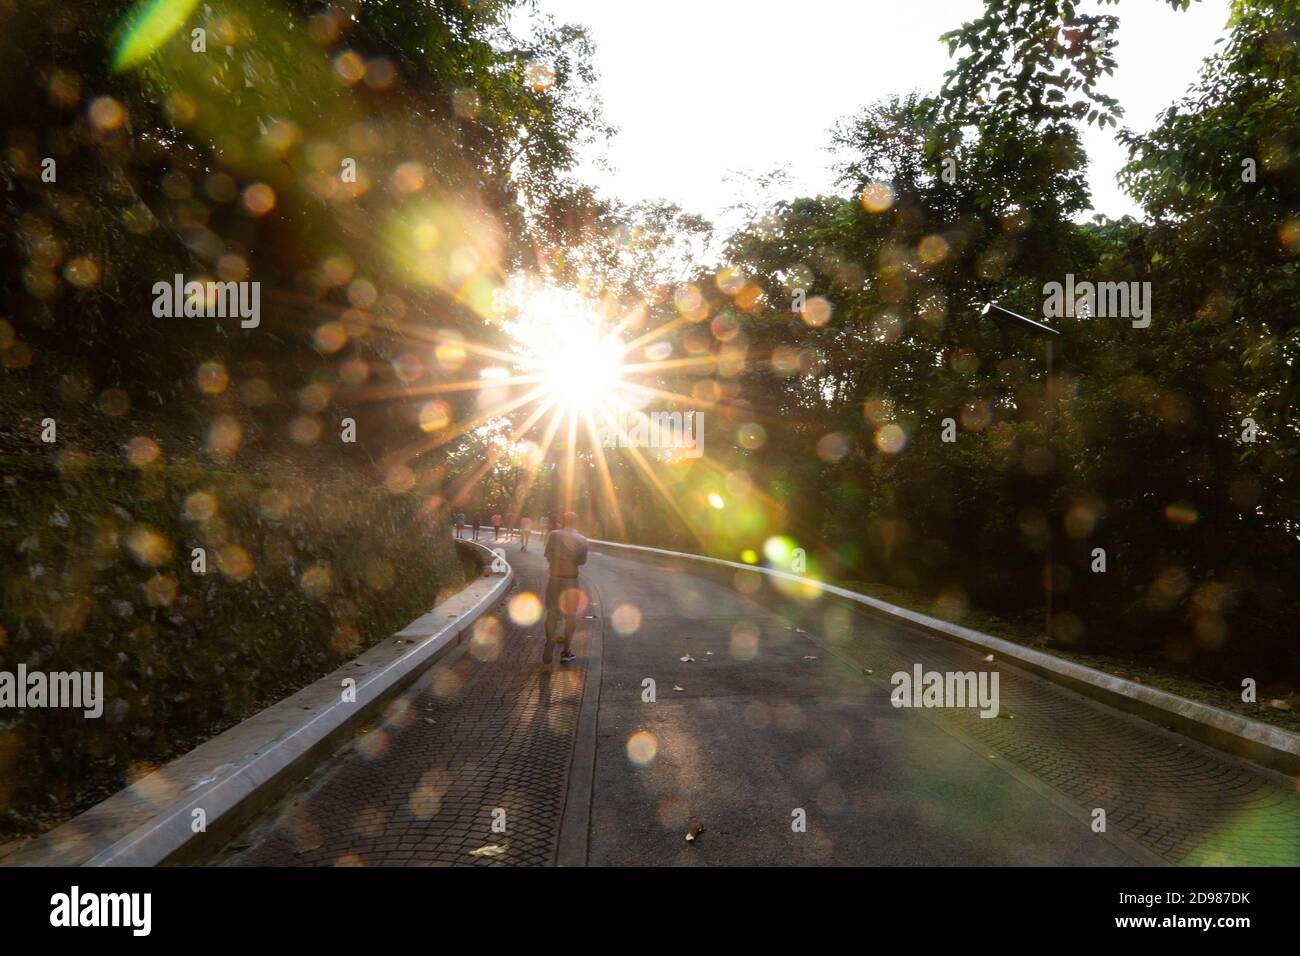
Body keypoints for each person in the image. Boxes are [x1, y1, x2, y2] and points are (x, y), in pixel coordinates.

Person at [543, 512, 588, 664]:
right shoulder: (582, 539)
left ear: (562, 522)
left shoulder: (553, 535)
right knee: (570, 616)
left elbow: (548, 555)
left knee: (551, 612)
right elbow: (582, 562)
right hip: (571, 580)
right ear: (576, 523)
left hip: (555, 578)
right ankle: (566, 651)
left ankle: (550, 639)